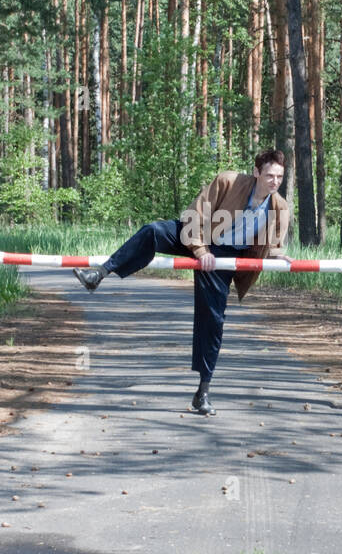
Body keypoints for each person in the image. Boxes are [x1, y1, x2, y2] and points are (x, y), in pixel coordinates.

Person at [72, 149, 293, 416]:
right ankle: (100, 274)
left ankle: (202, 393)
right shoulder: (228, 181)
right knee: (153, 231)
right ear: (256, 172)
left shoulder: (279, 207)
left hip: (225, 257)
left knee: (213, 321)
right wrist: (201, 250)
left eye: (279, 177)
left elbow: (272, 245)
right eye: (270, 175)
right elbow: (193, 216)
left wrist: (279, 256)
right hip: (197, 236)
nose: (274, 181)